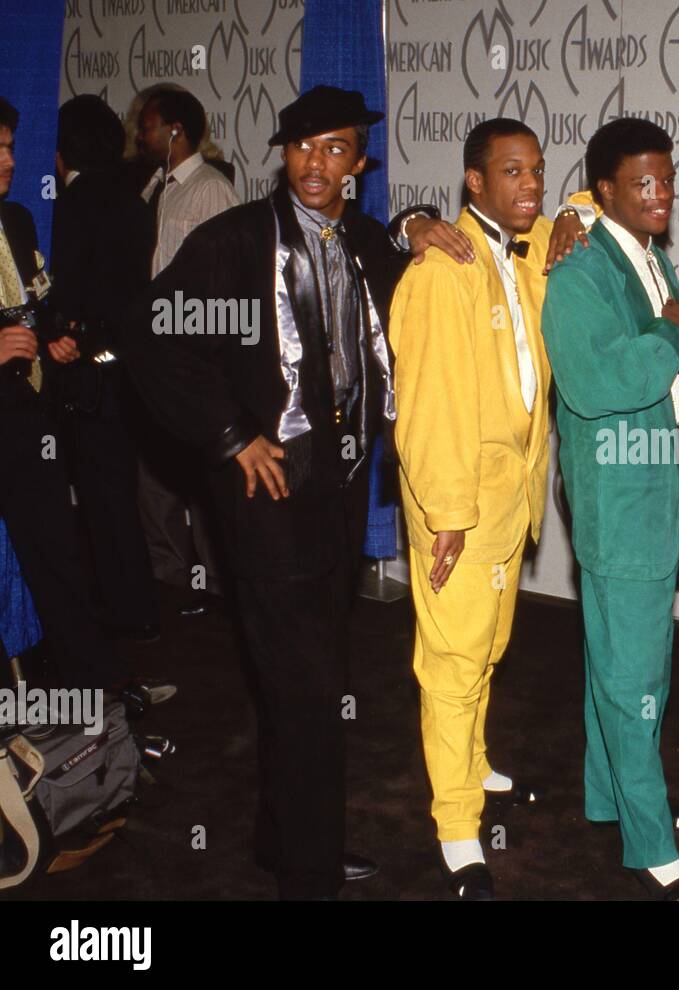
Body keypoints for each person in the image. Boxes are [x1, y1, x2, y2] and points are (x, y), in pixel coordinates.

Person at [122, 86, 403, 900]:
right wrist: (227, 435)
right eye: (305, 147)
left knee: (305, 682)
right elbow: (152, 336)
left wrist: (419, 221)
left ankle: (288, 842)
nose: (318, 164)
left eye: (338, 149)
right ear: (282, 153)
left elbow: (410, 284)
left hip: (339, 493)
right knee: (308, 687)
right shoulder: (236, 242)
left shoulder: (364, 240)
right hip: (267, 501)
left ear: (357, 163)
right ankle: (309, 875)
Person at [389, 117, 593, 900]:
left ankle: (471, 762)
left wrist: (571, 210)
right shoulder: (442, 269)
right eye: (513, 173)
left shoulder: (538, 238)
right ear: (474, 182)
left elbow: (591, 203)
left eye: (538, 171)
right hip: (459, 502)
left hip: (512, 496)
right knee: (450, 664)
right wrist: (445, 511)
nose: (531, 186)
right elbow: (427, 405)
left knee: (487, 648)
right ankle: (456, 825)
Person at [539, 118, 679, 900]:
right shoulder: (577, 272)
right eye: (642, 182)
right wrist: (675, 339)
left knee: (624, 660)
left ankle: (608, 801)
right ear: (604, 189)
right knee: (637, 672)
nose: (660, 193)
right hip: (619, 494)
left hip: (652, 487)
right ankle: (653, 845)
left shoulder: (648, 252)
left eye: (667, 179)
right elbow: (597, 383)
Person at [0, 96, 137, 702]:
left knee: (59, 555)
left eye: (9, 147)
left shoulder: (19, 221)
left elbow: (39, 299)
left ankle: (96, 702)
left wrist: (54, 336)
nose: (9, 160)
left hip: (28, 417)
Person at [48, 94, 160, 641]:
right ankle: (137, 608)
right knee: (118, 492)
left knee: (94, 498)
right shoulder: (133, 204)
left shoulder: (67, 208)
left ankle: (119, 612)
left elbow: (65, 293)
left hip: (82, 370)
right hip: (127, 371)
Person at [133, 86, 239, 609]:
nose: (141, 135)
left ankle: (216, 584)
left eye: (149, 125)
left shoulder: (211, 189)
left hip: (196, 352)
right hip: (160, 351)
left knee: (205, 476)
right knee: (158, 472)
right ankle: (171, 578)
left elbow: (227, 279)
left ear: (175, 130)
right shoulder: (157, 186)